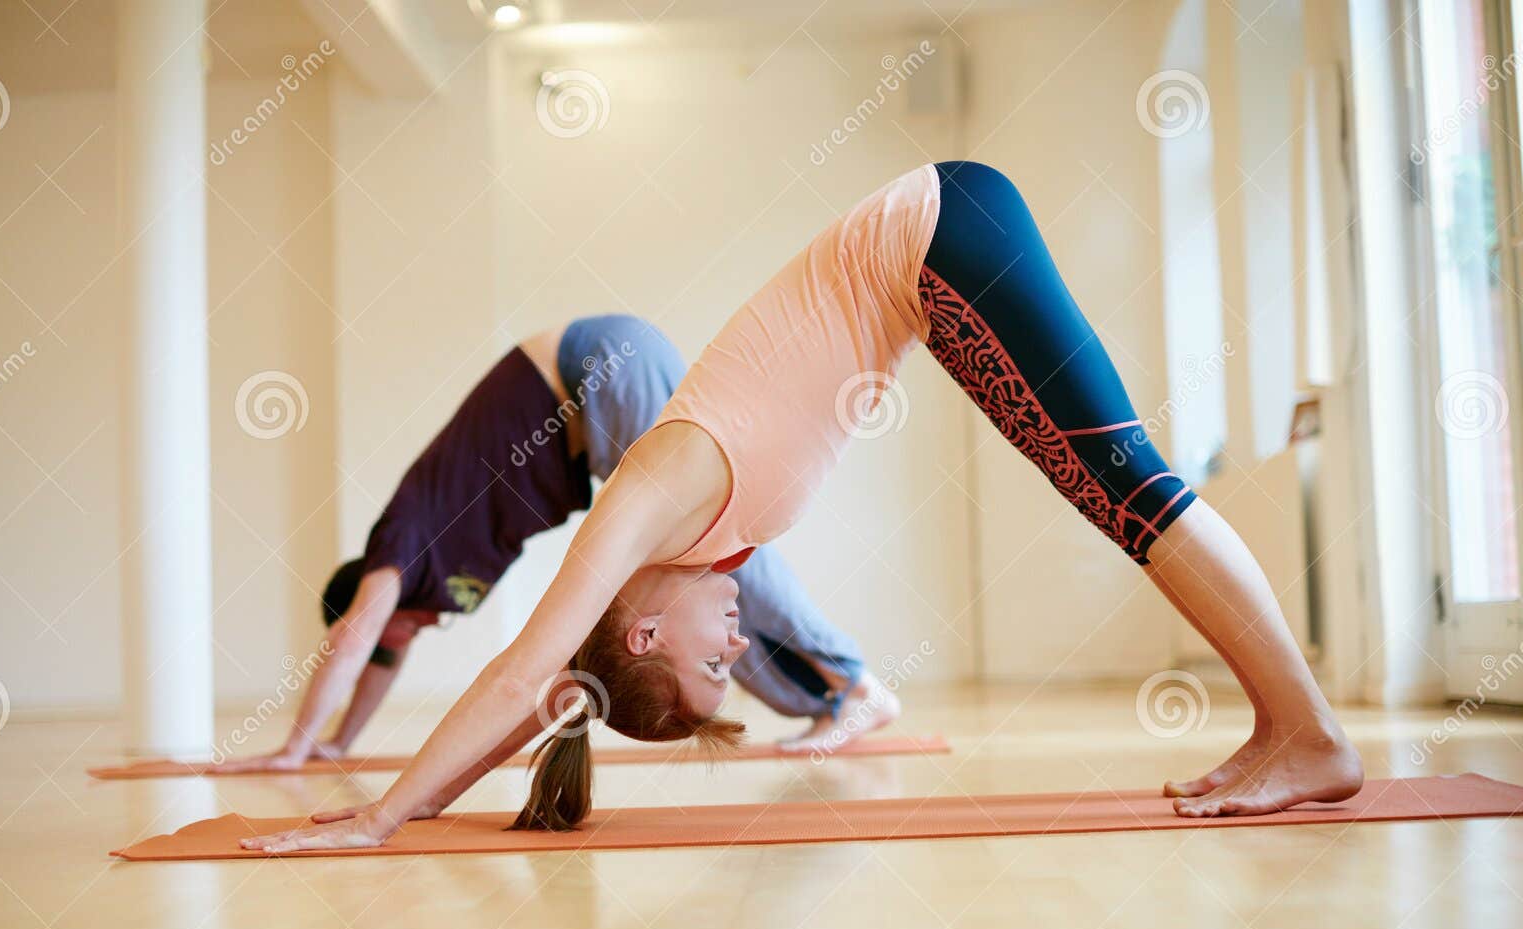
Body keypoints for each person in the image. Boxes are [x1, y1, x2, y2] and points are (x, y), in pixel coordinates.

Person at [243, 160, 1362, 852]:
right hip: (938, 257)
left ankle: (1304, 733)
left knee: (1127, 489)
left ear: (642, 628)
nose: (737, 644)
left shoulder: (646, 498)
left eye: (708, 661)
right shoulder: (699, 554)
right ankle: (1288, 727)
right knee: (1116, 491)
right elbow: (561, 696)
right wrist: (471, 784)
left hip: (938, 235)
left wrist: (386, 812)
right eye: (733, 664)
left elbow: (522, 673)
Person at [219, 315, 897, 776]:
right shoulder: (424, 587)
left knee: (718, 541)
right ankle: (832, 699)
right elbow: (378, 657)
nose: (413, 633)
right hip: (597, 419)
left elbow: (358, 635)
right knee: (684, 586)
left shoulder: (398, 536)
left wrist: (295, 746)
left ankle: (856, 680)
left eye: (393, 632)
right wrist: (338, 743)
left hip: (594, 372)